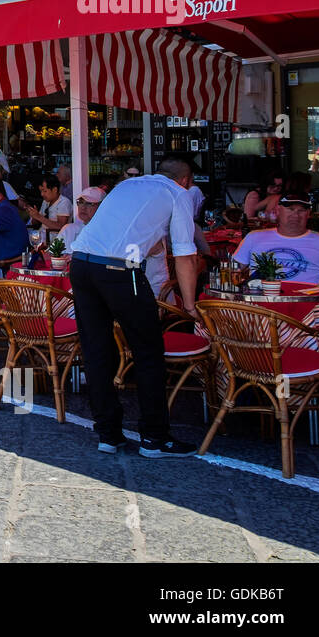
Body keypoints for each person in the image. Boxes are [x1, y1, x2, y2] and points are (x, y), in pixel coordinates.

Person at [69, 159, 200, 458]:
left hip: (81, 262)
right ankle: (154, 437)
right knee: (148, 351)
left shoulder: (127, 184)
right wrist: (190, 306)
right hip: (119, 266)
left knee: (97, 349)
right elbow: (184, 254)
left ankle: (108, 434)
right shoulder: (178, 194)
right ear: (186, 179)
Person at [231, 193, 319, 285]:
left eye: (301, 210)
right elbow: (231, 270)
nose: (296, 214)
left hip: (305, 303)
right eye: (290, 209)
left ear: (308, 214)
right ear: (277, 211)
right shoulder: (254, 237)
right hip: (258, 302)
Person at [22, 174, 72, 243]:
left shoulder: (64, 202)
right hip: (41, 236)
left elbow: (61, 226)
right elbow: (36, 223)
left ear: (55, 190)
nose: (42, 194)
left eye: (45, 191)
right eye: (41, 191)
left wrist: (39, 217)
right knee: (20, 235)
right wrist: (33, 215)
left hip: (54, 240)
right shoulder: (46, 202)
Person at [59, 186, 104, 252]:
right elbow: (53, 254)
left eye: (89, 203)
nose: (83, 207)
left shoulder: (105, 233)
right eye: (80, 202)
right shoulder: (68, 229)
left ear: (102, 206)